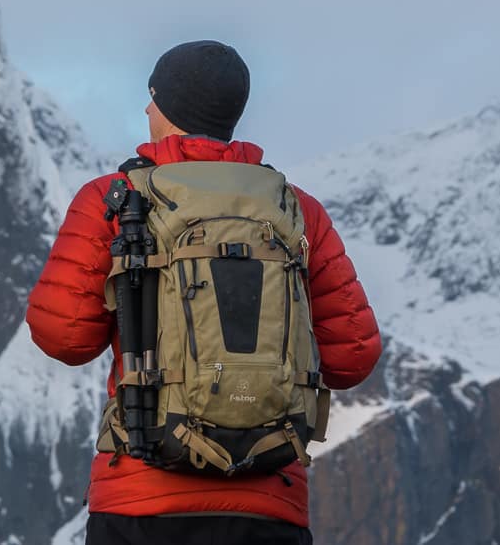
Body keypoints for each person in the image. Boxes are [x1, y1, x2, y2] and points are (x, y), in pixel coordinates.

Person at [27, 41, 382, 545]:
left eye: (152, 96)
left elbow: (63, 336)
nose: (147, 108)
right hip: (269, 502)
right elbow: (354, 358)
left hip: (141, 496)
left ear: (169, 107)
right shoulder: (297, 210)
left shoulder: (115, 200)